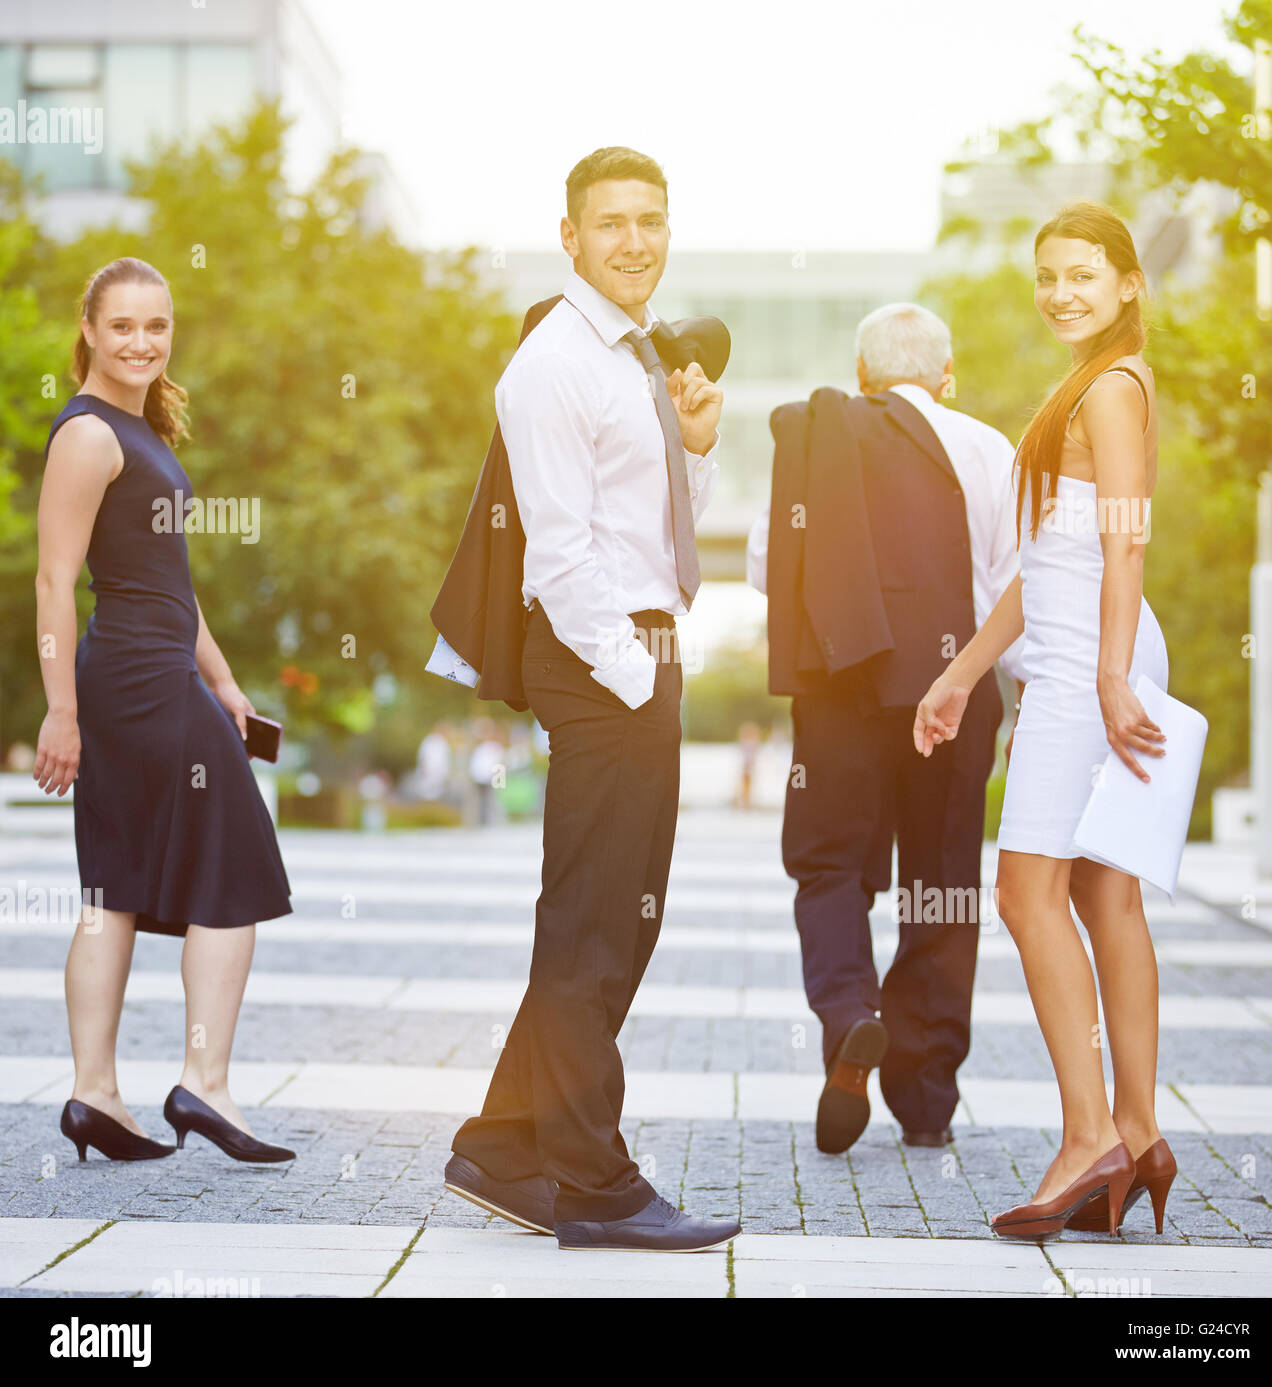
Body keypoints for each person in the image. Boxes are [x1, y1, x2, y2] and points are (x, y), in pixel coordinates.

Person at [444, 146, 739, 1252]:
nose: (633, 241)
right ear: (568, 236)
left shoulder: (633, 358)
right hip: (602, 662)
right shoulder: (551, 365)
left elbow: (647, 533)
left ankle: (499, 1144)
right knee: (591, 931)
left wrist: (697, 448)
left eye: (650, 221)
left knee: (616, 922)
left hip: (640, 653)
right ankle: (595, 1180)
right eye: (610, 223)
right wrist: (629, 679)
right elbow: (565, 560)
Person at [915, 202, 1176, 1241]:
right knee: (1107, 902)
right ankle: (1139, 1129)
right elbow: (1046, 563)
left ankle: (1088, 1139)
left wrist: (1108, 676)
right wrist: (960, 674)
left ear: (1125, 284)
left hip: (1086, 665)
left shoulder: (1111, 388)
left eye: (1083, 275)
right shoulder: (1089, 384)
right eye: (1048, 276)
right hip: (1081, 651)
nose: (1062, 292)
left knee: (1028, 891)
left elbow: (1123, 545)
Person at [34, 257, 295, 1166]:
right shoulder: (89, 437)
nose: (141, 342)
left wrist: (223, 682)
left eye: (157, 325)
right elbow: (54, 581)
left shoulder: (140, 431)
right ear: (91, 333)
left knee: (112, 888)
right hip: (134, 682)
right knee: (237, 868)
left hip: (156, 670)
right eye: (123, 327)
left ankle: (95, 1096)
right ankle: (203, 1083)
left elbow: (170, 587)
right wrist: (59, 710)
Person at [748, 303, 1026, 1155]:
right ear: (948, 375)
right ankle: (926, 1094)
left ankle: (847, 1016)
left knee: (829, 865)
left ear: (862, 376)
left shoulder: (820, 443)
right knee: (940, 884)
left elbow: (770, 567)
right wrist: (1007, 705)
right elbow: (1020, 589)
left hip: (840, 692)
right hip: (957, 689)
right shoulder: (989, 448)